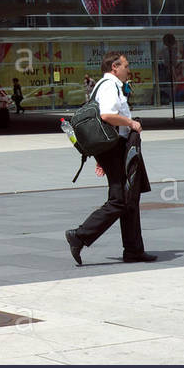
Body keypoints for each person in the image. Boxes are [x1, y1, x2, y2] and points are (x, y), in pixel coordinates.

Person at [65, 51, 157, 265]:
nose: (129, 69)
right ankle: (80, 236)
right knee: (121, 199)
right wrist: (131, 123)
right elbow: (107, 115)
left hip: (114, 148)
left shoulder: (106, 86)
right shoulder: (109, 85)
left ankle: (133, 249)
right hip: (116, 149)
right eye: (126, 65)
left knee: (130, 198)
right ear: (114, 67)